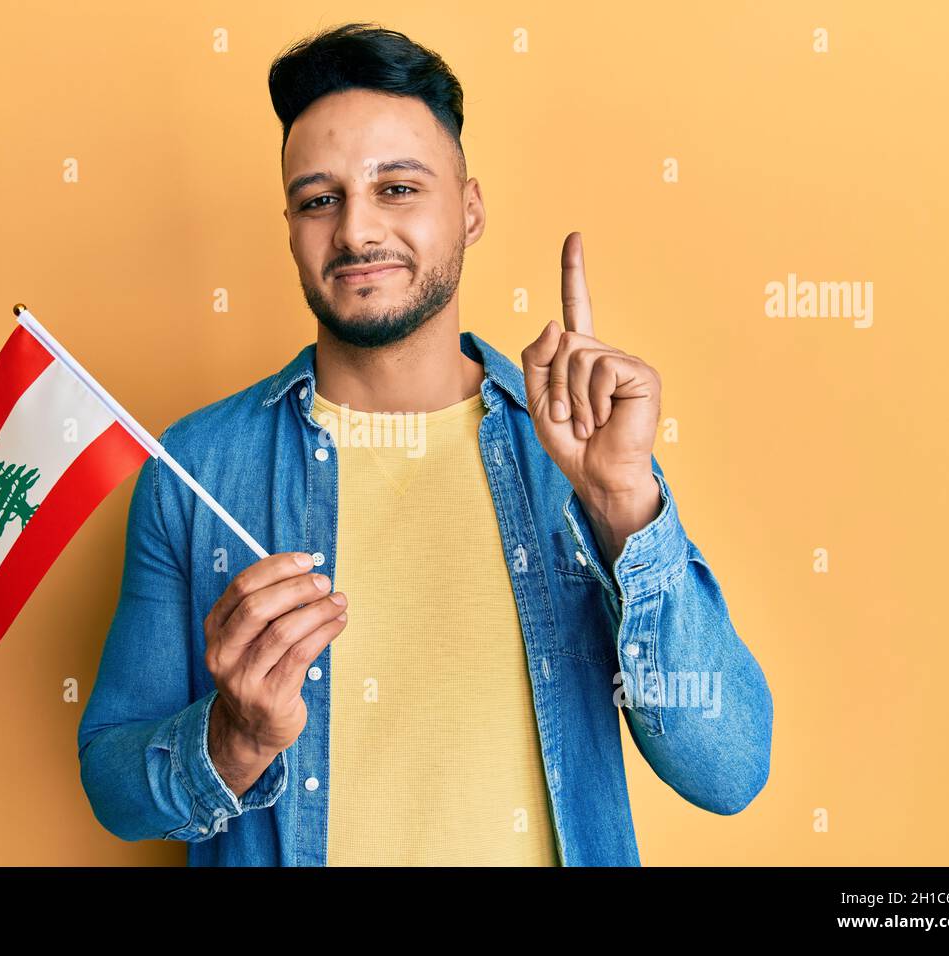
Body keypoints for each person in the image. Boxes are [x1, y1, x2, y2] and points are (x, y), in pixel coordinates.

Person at [77, 21, 772, 866]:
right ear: (291, 223)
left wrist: (626, 503)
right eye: (319, 198)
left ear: (470, 209)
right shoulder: (194, 472)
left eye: (398, 188)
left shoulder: (582, 452)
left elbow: (728, 768)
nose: (357, 233)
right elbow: (113, 783)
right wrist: (233, 739)